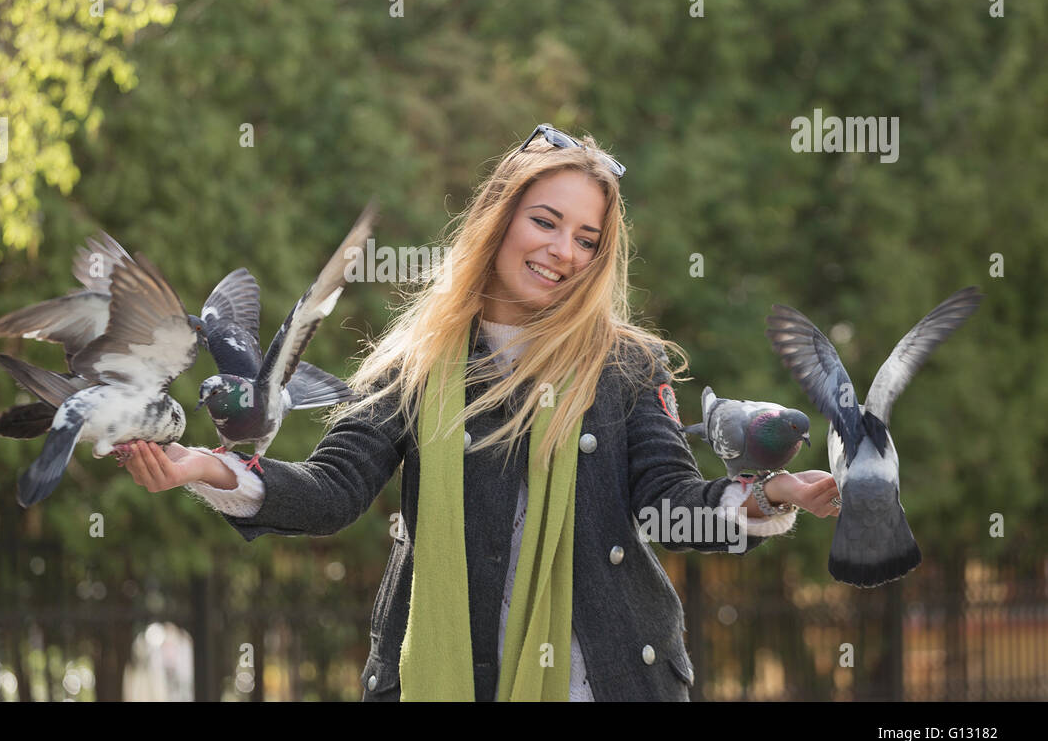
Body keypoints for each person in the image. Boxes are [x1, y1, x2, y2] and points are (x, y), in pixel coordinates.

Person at [118, 125, 841, 701]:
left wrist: (769, 492)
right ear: (500, 219)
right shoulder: (417, 362)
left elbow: (668, 505)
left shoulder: (625, 364)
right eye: (547, 223)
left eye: (587, 239)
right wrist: (205, 466)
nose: (564, 251)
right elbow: (332, 491)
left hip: (613, 678)